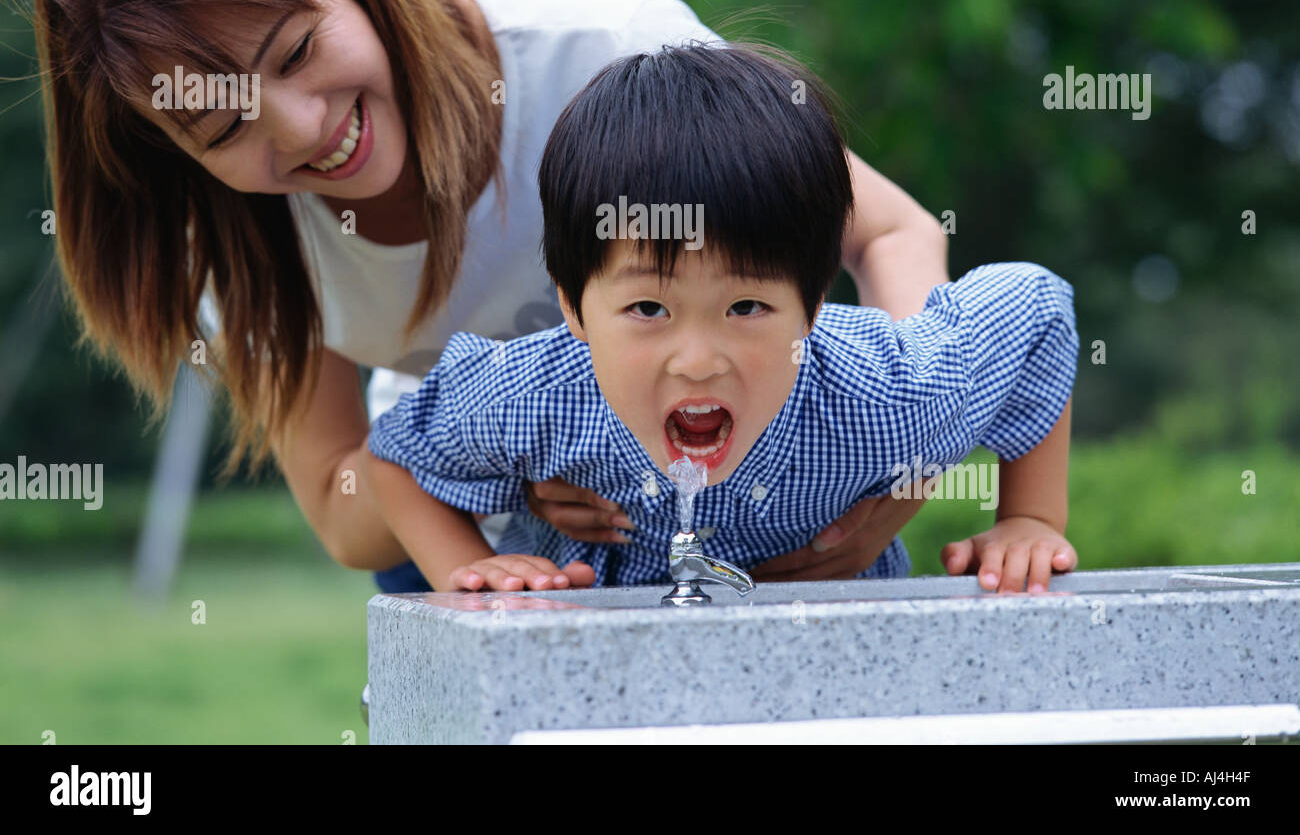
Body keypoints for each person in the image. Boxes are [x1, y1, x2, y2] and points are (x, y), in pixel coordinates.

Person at [34, 0, 950, 593]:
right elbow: (339, 498)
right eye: (226, 126)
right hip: (477, 541)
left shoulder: (598, 52)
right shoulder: (228, 241)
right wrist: (510, 468)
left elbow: (892, 230)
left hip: (752, 486)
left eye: (300, 50)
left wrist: (903, 466)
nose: (305, 128)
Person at [365, 43, 1079, 593]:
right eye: (648, 308)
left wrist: (1030, 518)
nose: (699, 358)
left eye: (747, 307)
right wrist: (470, 569)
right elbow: (398, 456)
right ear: (573, 307)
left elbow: (1036, 310)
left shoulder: (887, 394)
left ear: (814, 305)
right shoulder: (533, 395)